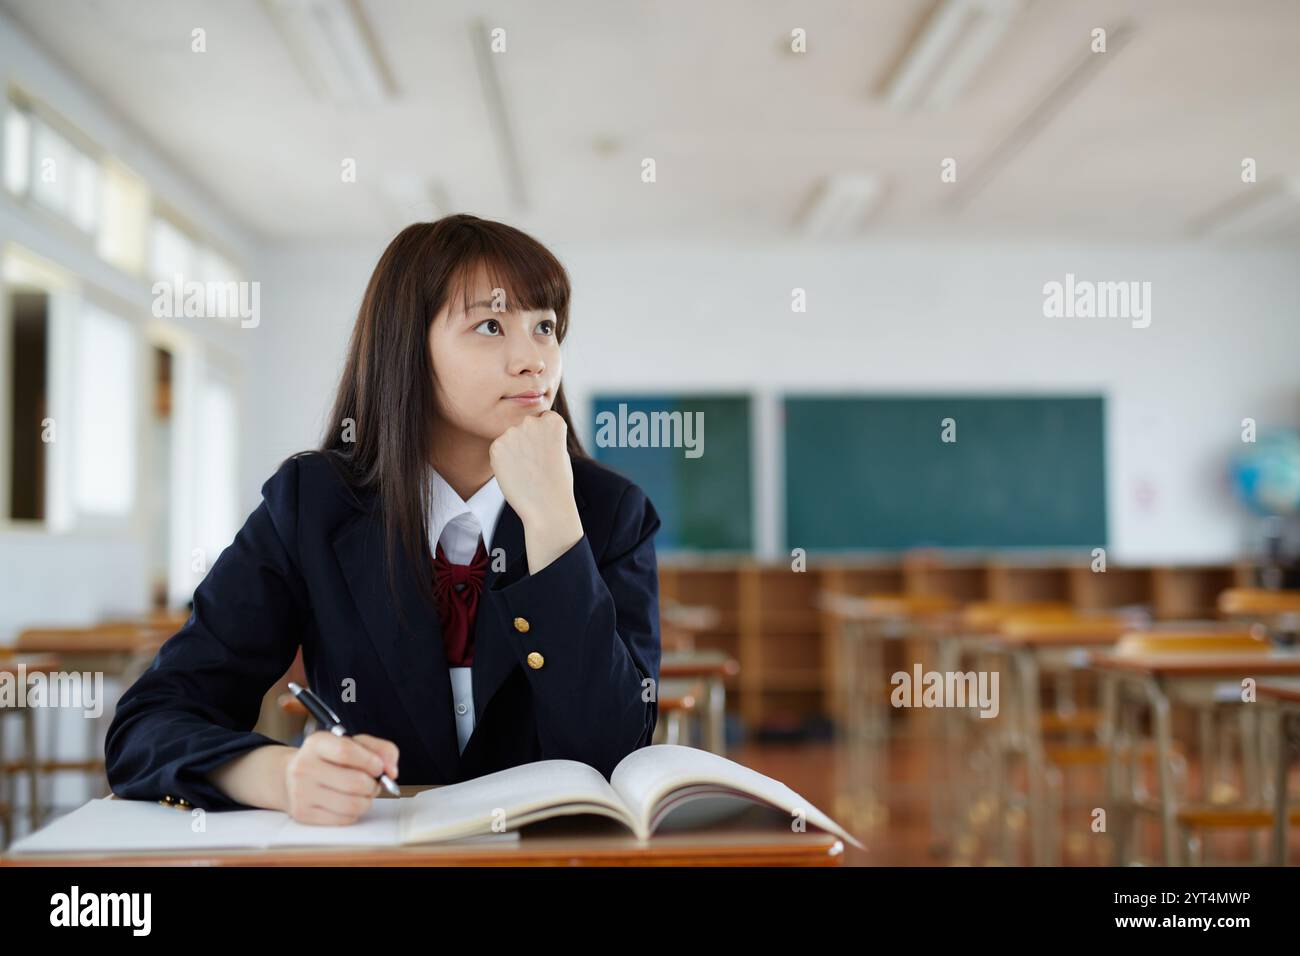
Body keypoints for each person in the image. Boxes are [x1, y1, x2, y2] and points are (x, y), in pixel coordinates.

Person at [105, 214, 663, 824]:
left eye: (546, 327)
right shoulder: (311, 504)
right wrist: (278, 775)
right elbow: (148, 724)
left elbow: (614, 753)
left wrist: (556, 523)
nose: (534, 361)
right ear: (408, 347)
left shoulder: (611, 513)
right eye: (491, 325)